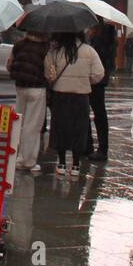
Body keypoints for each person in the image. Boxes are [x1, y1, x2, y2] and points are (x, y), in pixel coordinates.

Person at [43, 31, 104, 178]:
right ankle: (76, 165)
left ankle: (62, 163)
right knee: (79, 130)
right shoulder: (90, 51)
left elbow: (48, 73)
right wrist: (86, 80)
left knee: (60, 129)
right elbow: (99, 74)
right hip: (81, 96)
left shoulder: (55, 52)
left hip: (60, 95)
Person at [8, 31, 51, 172]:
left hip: (20, 87)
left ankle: (16, 156)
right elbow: (49, 72)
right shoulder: (45, 48)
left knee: (18, 123)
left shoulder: (19, 45)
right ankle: (28, 161)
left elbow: (9, 65)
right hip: (37, 88)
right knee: (32, 125)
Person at [86, 20, 116, 161]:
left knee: (93, 113)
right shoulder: (108, 37)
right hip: (100, 80)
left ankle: (93, 147)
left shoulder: (98, 40)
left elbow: (95, 58)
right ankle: (100, 147)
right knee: (99, 114)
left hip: (93, 80)